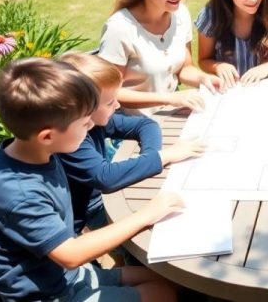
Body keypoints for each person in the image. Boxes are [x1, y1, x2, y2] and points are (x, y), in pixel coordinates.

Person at [0, 58, 182, 301]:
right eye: (85, 122)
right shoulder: (20, 193)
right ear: (47, 136)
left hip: (66, 275)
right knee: (163, 292)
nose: (91, 125)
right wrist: (146, 215)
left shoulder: (37, 152)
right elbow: (71, 254)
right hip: (48, 294)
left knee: (167, 279)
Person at [58, 52, 205, 237]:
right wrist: (163, 156)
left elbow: (145, 125)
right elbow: (105, 177)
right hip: (90, 212)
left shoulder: (97, 120)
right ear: (85, 108)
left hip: (108, 197)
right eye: (110, 102)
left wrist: (150, 157)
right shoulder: (72, 141)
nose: (118, 105)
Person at [98, 0, 221, 116]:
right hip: (131, 126)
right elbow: (109, 93)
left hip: (169, 115)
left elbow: (184, 68)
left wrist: (204, 78)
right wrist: (169, 98)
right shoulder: (119, 29)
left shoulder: (181, 14)